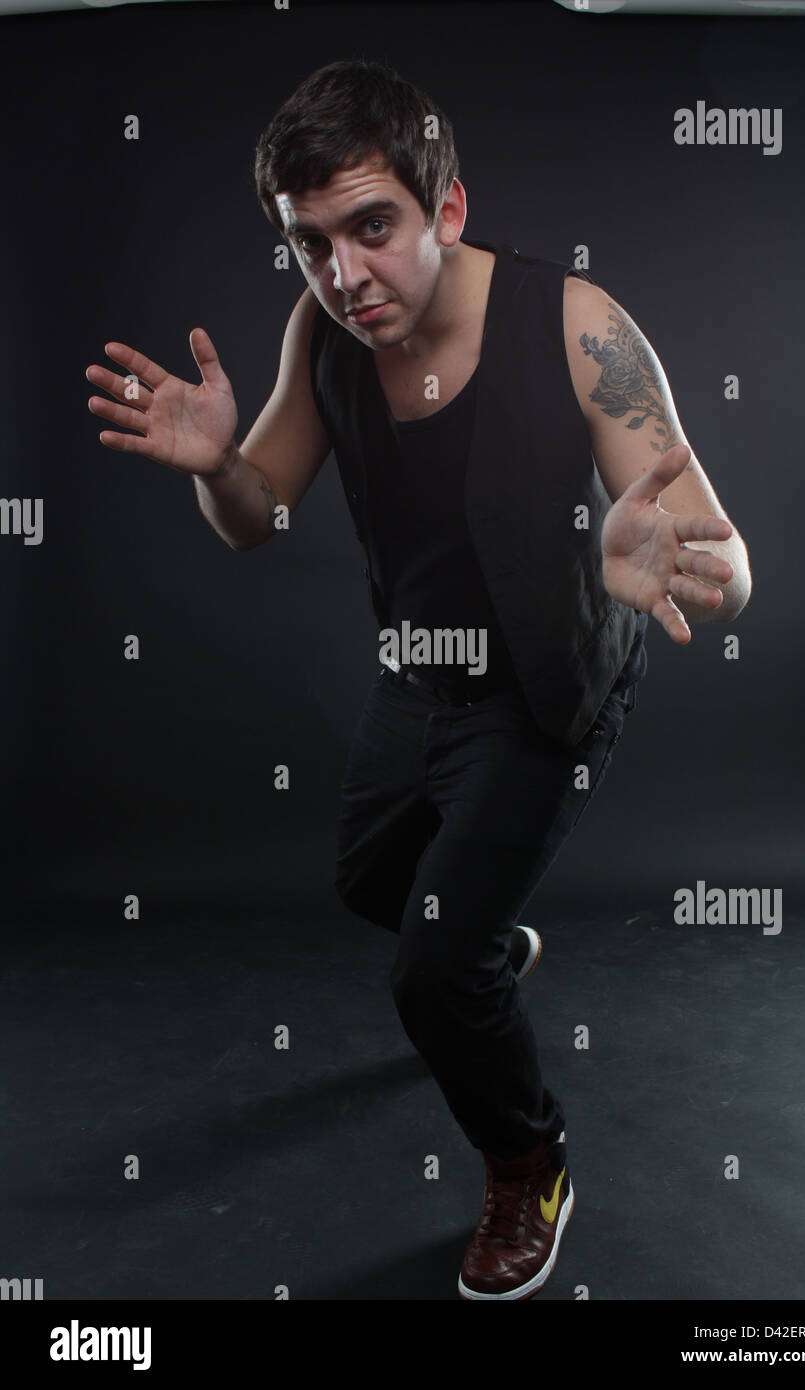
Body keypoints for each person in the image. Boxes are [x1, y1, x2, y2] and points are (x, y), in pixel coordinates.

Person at [85, 58, 752, 1301]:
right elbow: (255, 515)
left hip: (547, 688)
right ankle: (487, 944)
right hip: (423, 680)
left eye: (373, 227)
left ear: (444, 209)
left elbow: (732, 569)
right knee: (366, 879)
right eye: (312, 243)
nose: (345, 276)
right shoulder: (320, 333)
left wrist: (670, 562)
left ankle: (529, 1157)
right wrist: (213, 463)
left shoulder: (574, 322)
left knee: (433, 970)